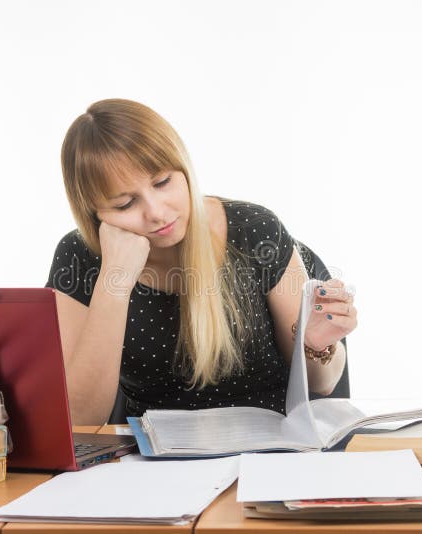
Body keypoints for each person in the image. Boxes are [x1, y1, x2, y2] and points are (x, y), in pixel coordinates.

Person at [46, 99, 357, 425]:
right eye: (125, 204)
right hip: (152, 462)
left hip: (272, 450)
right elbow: (79, 421)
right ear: (94, 215)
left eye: (162, 183)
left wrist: (317, 345)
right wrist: (116, 278)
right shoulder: (79, 257)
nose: (156, 212)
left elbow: (324, 384)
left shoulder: (255, 231)